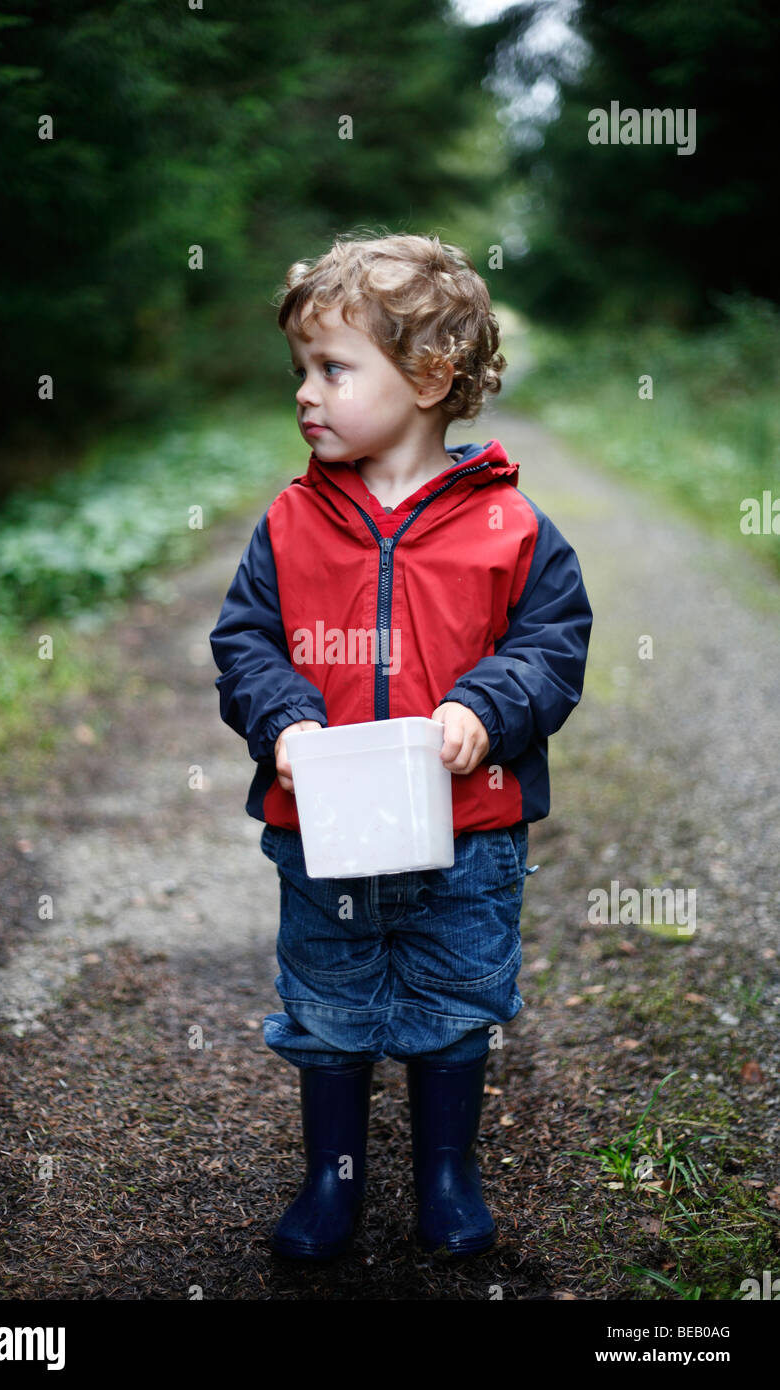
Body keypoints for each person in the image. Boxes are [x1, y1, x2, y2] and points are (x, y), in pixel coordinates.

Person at [209, 231, 592, 1261]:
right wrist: (280, 714)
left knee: (452, 996)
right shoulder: (290, 523)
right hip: (323, 828)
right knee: (328, 1004)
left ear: (428, 378)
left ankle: (445, 1171)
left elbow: (552, 643)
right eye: (301, 370)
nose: (306, 392)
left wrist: (486, 706)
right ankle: (330, 1185)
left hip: (467, 830)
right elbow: (243, 638)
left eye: (334, 368)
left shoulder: (509, 527)